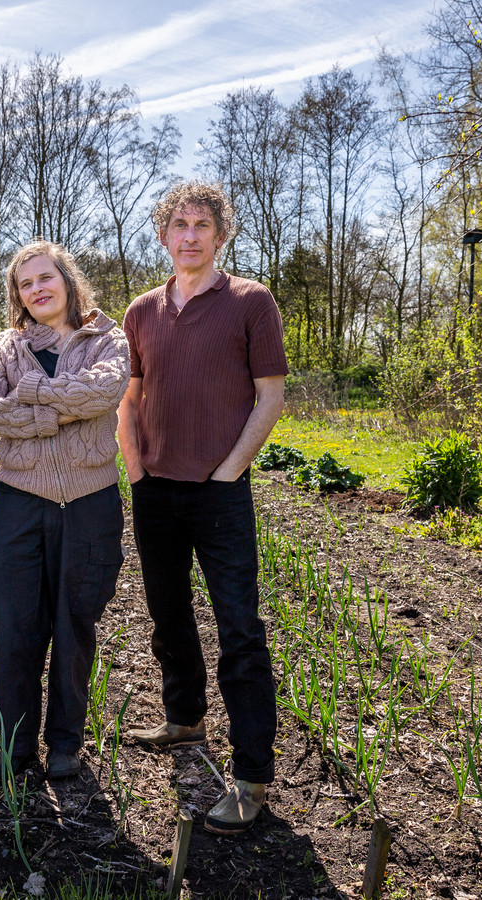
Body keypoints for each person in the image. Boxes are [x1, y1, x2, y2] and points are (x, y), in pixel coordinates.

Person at [117, 181, 288, 835]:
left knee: (239, 628)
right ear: (163, 237)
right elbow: (129, 399)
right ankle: (184, 718)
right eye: (178, 224)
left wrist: (226, 473)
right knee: (167, 615)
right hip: (155, 491)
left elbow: (270, 397)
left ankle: (250, 776)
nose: (190, 234)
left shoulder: (250, 302)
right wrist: (135, 468)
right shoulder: (141, 312)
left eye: (202, 224)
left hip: (220, 493)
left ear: (221, 235)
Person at [0, 240, 129, 787]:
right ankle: (14, 744)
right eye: (25, 283)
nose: (37, 289)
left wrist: (34, 397)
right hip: (19, 502)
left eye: (45, 278)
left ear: (66, 279)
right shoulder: (4, 348)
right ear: (18, 295)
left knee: (74, 623)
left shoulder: (107, 338)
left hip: (90, 502)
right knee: (12, 626)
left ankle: (64, 743)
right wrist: (55, 411)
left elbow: (103, 393)